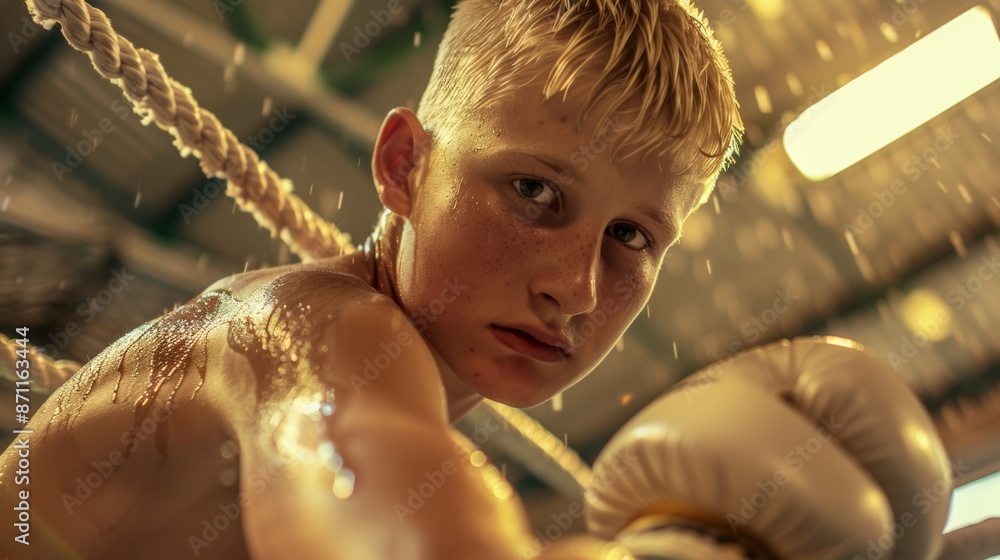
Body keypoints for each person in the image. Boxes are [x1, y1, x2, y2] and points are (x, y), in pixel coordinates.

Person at [0, 0, 743, 557]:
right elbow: (390, 519)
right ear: (403, 166)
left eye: (630, 237)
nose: (575, 290)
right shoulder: (311, 325)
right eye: (533, 191)